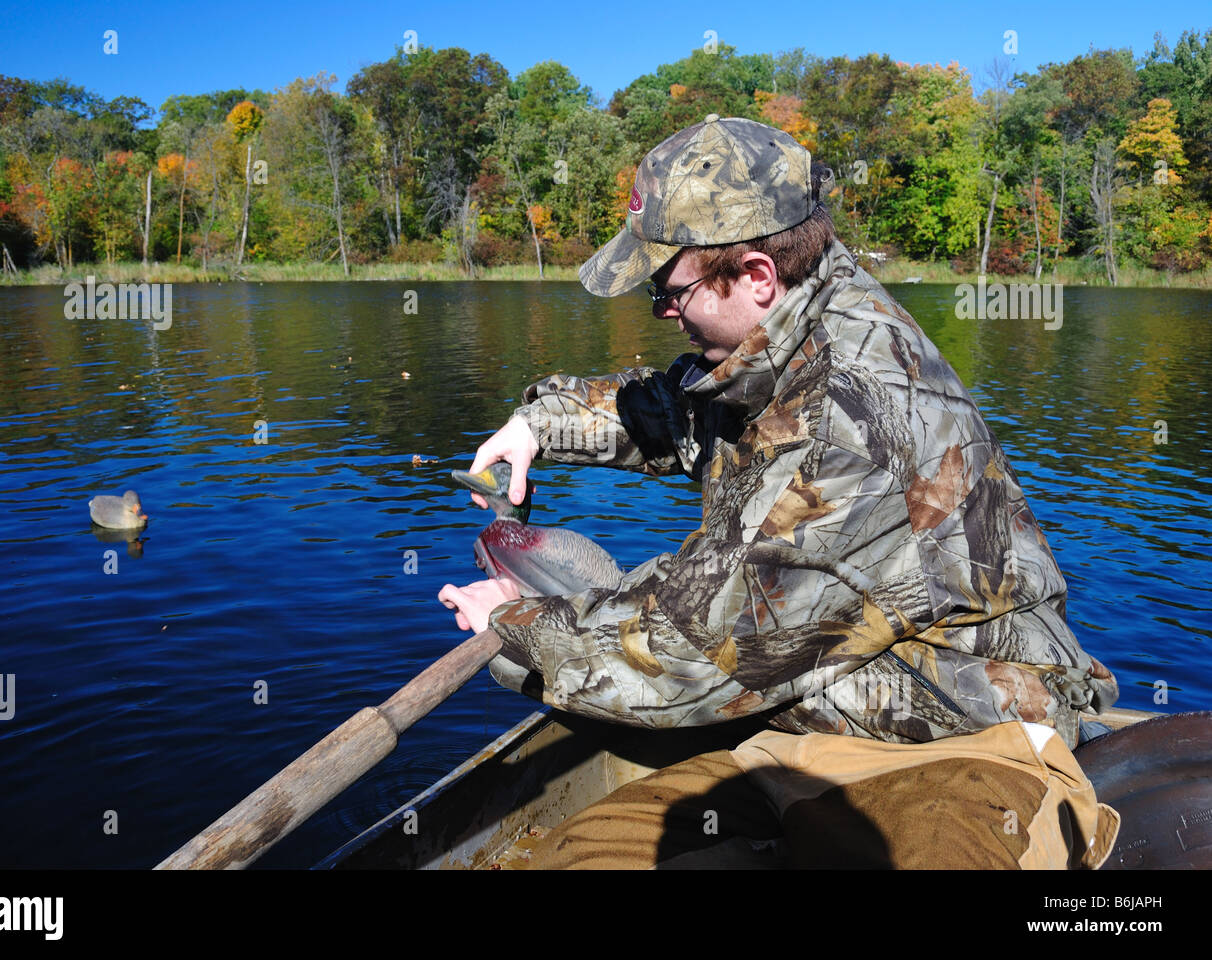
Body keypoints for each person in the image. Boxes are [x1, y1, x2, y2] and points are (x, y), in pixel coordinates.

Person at [438, 114, 1120, 751]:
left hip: (995, 699)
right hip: (929, 646)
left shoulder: (843, 424)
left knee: (704, 672)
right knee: (662, 618)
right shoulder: (804, 310)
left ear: (756, 276)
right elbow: (682, 413)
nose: (660, 313)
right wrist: (538, 426)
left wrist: (516, 622)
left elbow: (696, 659)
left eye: (668, 293)